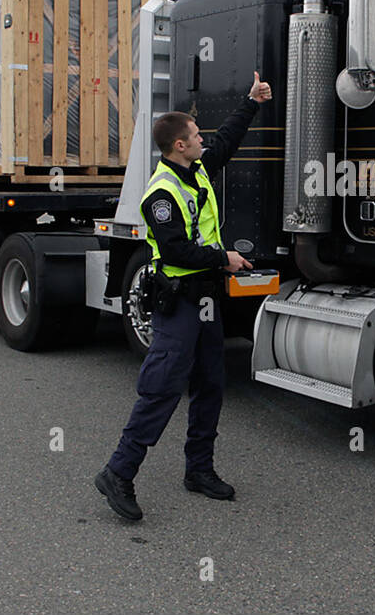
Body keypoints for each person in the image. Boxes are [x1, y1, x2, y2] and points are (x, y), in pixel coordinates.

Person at [95, 71, 272, 521]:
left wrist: (251, 101)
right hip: (180, 302)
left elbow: (227, 142)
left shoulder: (195, 170)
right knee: (162, 389)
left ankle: (199, 470)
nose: (202, 139)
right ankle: (118, 472)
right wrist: (224, 258)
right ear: (179, 145)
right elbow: (174, 247)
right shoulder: (161, 193)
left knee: (211, 384)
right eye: (195, 136)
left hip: (207, 300)